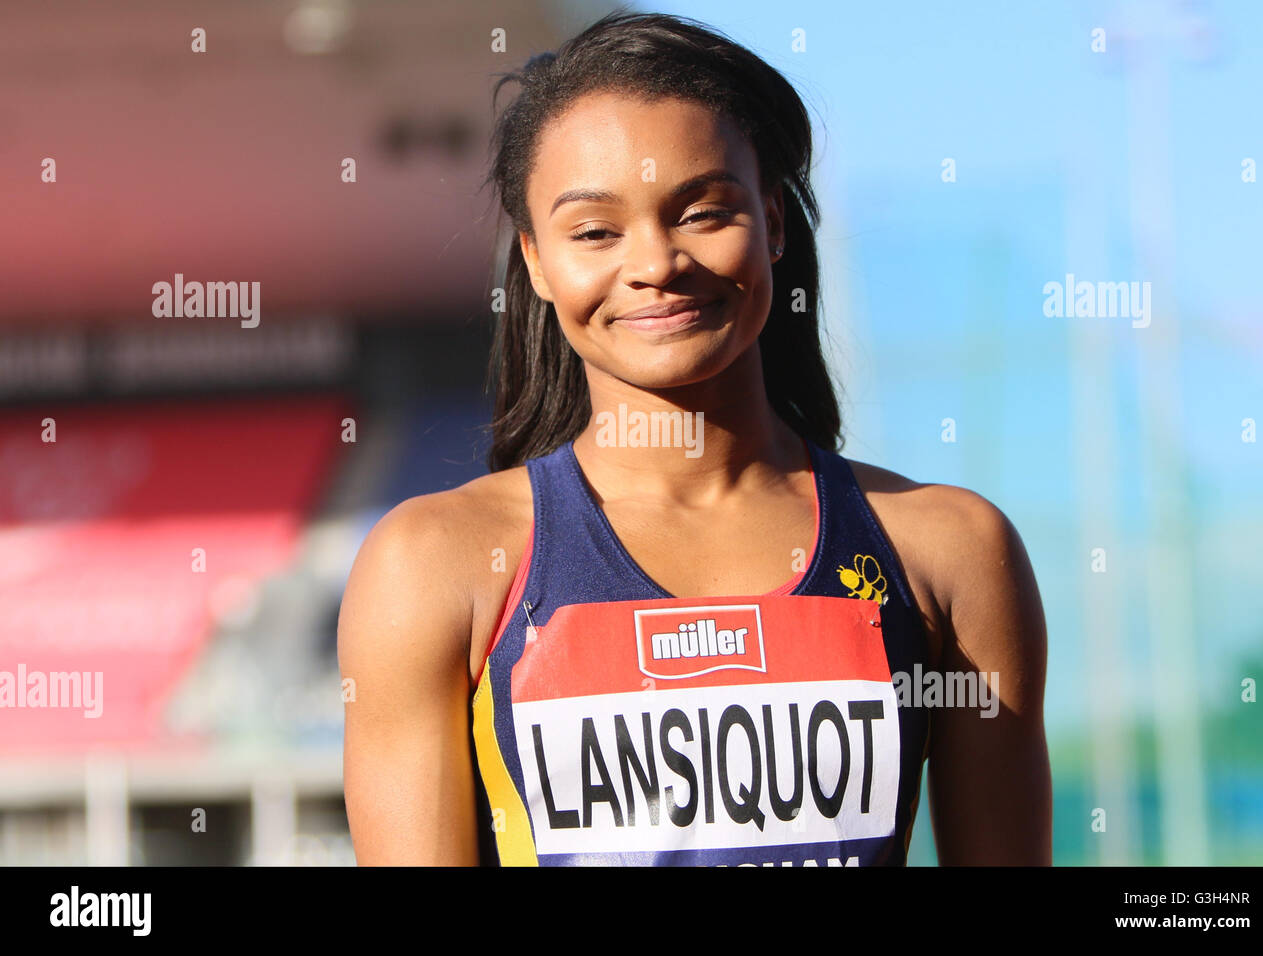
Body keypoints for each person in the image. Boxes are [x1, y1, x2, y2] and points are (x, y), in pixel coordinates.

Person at [338, 10, 1050, 866]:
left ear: (775, 221)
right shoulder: (432, 564)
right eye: (596, 230)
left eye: (703, 212)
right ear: (534, 260)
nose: (656, 263)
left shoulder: (952, 551)